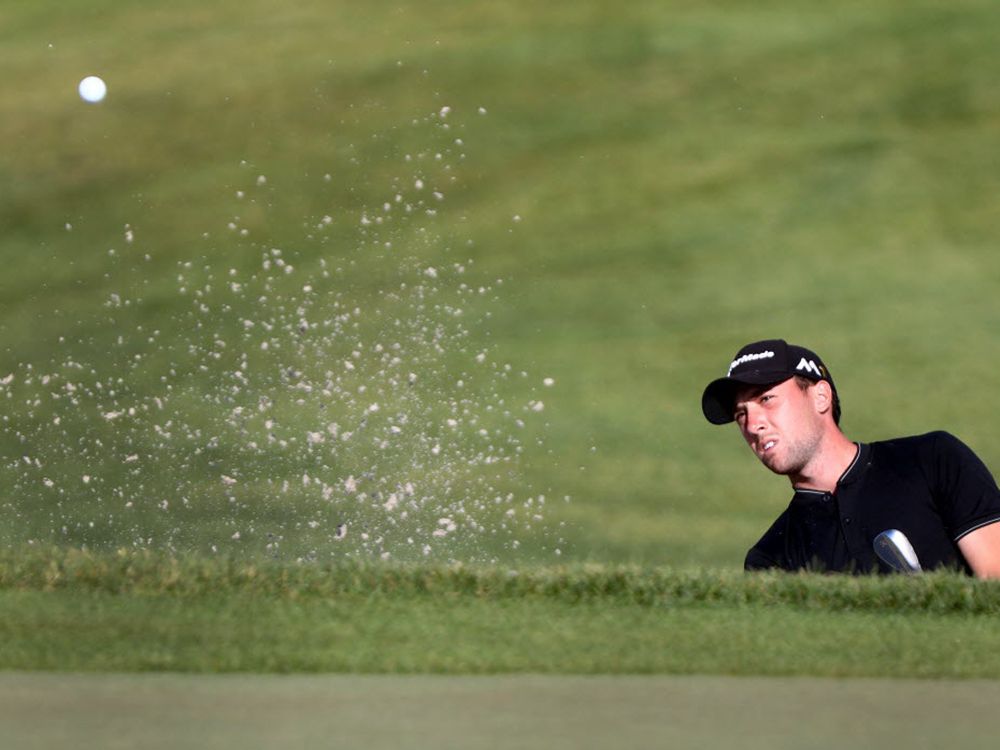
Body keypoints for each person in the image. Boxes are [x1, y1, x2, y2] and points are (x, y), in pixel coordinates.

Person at [700, 339, 1000, 577]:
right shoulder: (770, 560)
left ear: (821, 397)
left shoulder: (933, 459)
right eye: (742, 414)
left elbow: (994, 584)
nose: (753, 425)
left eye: (766, 399)